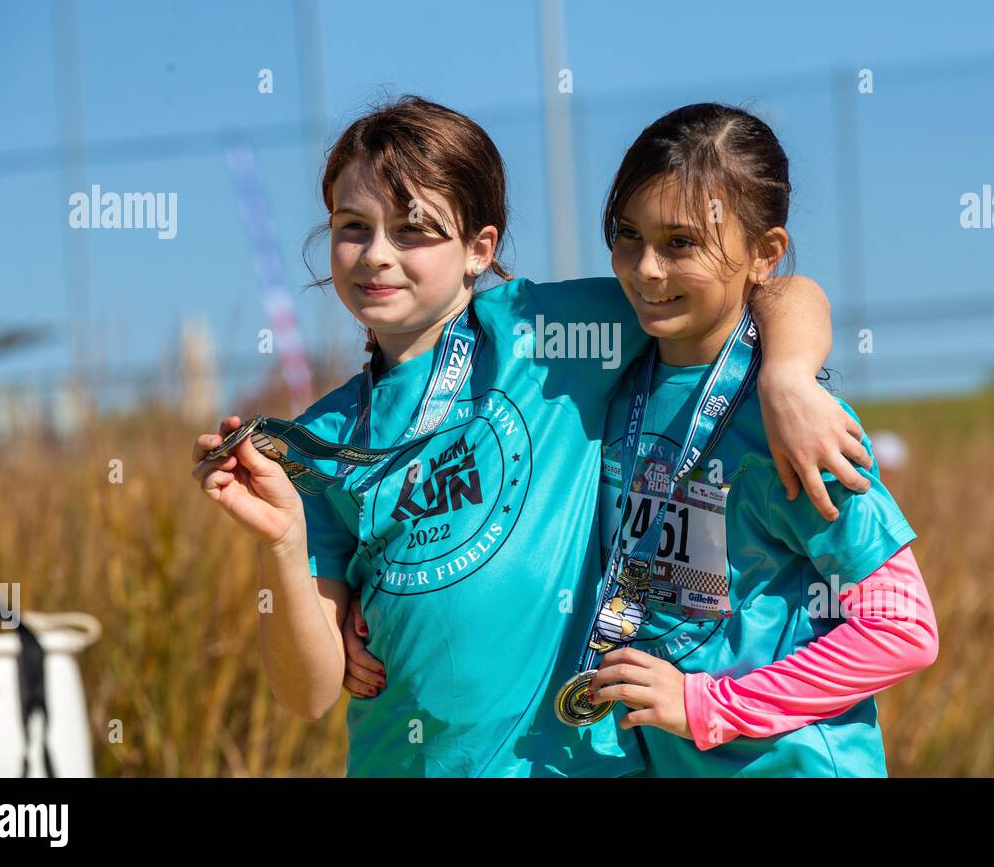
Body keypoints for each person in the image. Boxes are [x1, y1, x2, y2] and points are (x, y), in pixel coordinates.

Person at [191, 95, 867, 777]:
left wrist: (786, 377)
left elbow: (765, 289)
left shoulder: (552, 334)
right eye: (353, 226)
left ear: (479, 250)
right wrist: (283, 544)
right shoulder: (322, 441)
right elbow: (306, 694)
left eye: (414, 230)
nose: (376, 255)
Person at [587, 103, 939, 776]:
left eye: (682, 243)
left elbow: (902, 629)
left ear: (764, 254)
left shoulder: (797, 420)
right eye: (628, 234)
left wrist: (708, 705)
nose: (646, 270)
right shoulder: (606, 375)